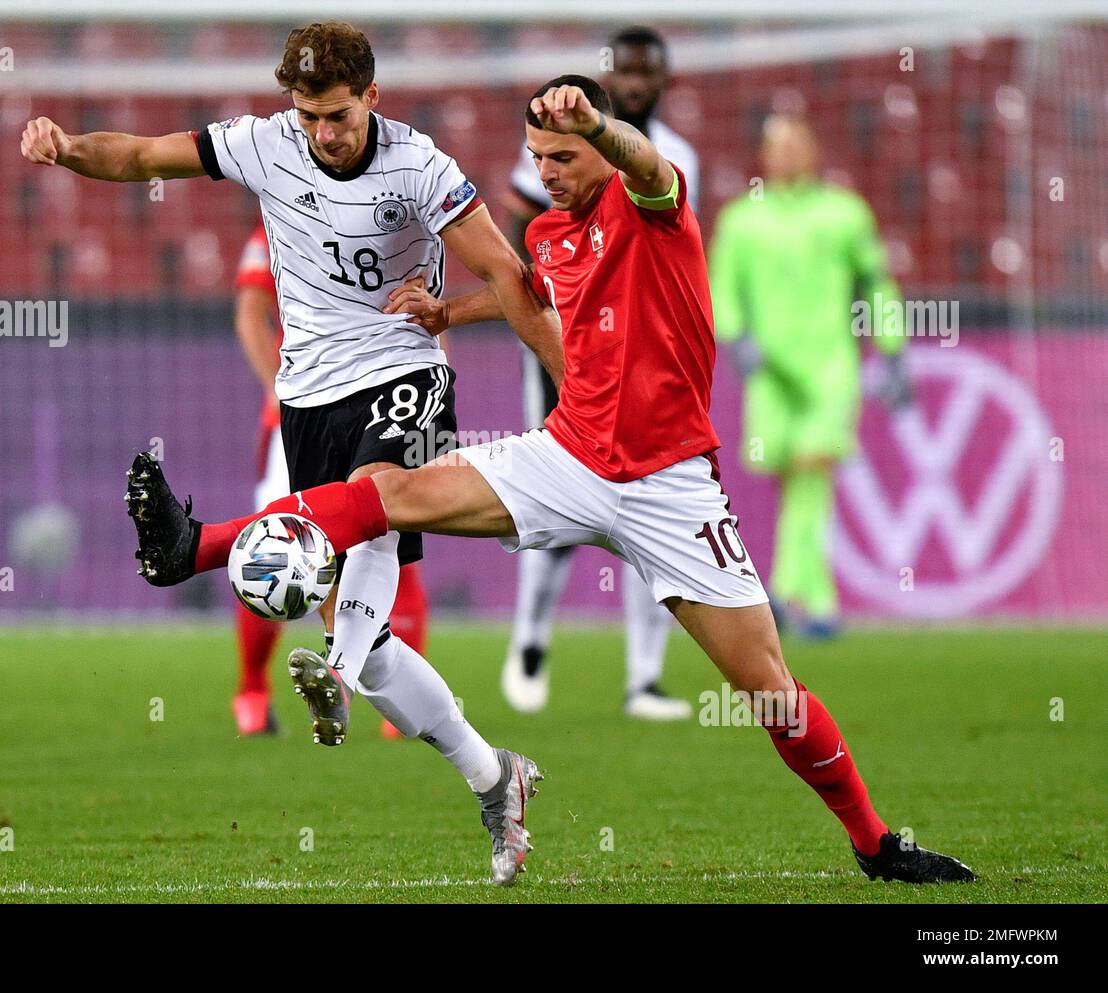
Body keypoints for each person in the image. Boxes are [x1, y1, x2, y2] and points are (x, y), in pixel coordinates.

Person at [127, 75, 974, 885]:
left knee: (770, 693)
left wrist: (604, 129)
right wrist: (446, 311)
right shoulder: (547, 232)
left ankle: (875, 842)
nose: (547, 174)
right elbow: (532, 289)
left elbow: (644, 161)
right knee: (389, 491)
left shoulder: (655, 205)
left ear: (600, 148)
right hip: (567, 455)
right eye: (538, 158)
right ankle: (190, 548)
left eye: (564, 157)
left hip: (669, 482)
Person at [23, 21, 561, 885]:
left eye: (339, 114)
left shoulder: (420, 169)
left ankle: (319, 660)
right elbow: (141, 158)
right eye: (308, 114)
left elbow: (510, 273)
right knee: (371, 629)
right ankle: (494, 775)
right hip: (308, 397)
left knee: (378, 497)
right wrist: (67, 149)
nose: (323, 132)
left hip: (403, 372)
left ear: (373, 98)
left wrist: (576, 391)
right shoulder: (263, 146)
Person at [501, 25, 699, 720]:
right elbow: (536, 252)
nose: (550, 168)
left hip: (649, 366)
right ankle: (528, 643)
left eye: (651, 68)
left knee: (653, 525)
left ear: (665, 78)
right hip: (574, 351)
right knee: (553, 510)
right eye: (629, 69)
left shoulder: (675, 157)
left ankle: (644, 676)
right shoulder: (560, 139)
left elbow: (670, 236)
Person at [709, 114, 909, 637]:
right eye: (778, 145)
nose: (789, 153)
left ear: (815, 150)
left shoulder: (845, 213)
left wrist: (891, 349)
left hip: (829, 368)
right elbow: (722, 288)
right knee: (794, 479)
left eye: (798, 142)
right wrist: (736, 338)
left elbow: (876, 282)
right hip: (771, 374)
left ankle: (778, 590)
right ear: (763, 157)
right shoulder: (740, 220)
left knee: (812, 465)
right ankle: (819, 606)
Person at [230, 225, 428, 737]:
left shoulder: (402, 225)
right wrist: (276, 388)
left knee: (392, 542)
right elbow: (252, 312)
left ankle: (396, 706)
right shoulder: (277, 222)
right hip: (304, 417)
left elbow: (428, 315)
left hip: (387, 410)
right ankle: (252, 688)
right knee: (275, 551)